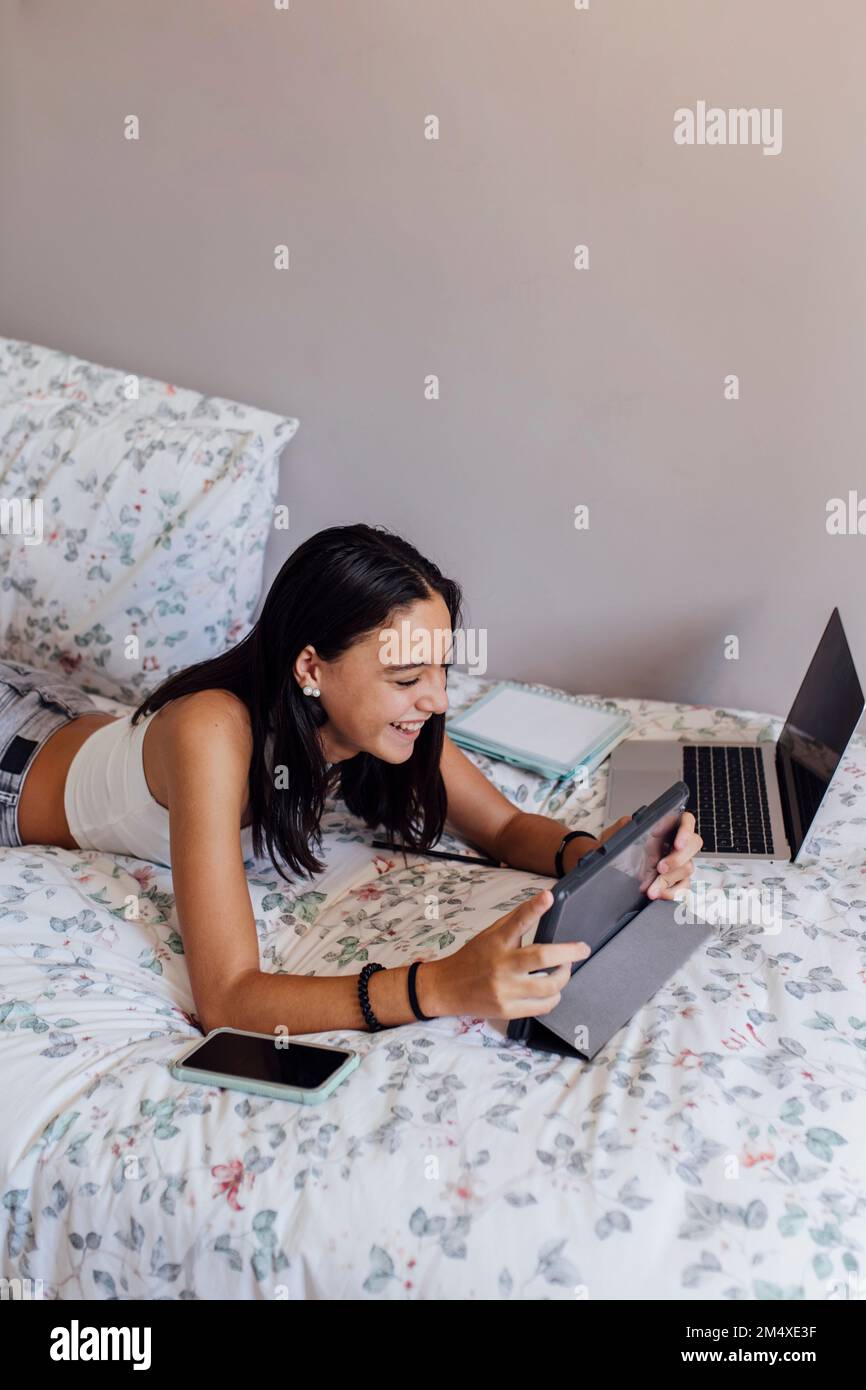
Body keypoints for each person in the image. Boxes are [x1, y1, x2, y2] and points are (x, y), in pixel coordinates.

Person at [1, 524, 701, 1035]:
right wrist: (438, 987)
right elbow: (229, 999)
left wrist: (607, 860)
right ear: (312, 669)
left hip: (67, 714)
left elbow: (507, 827)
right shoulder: (211, 731)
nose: (436, 700)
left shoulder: (384, 721)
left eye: (440, 672)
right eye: (406, 678)